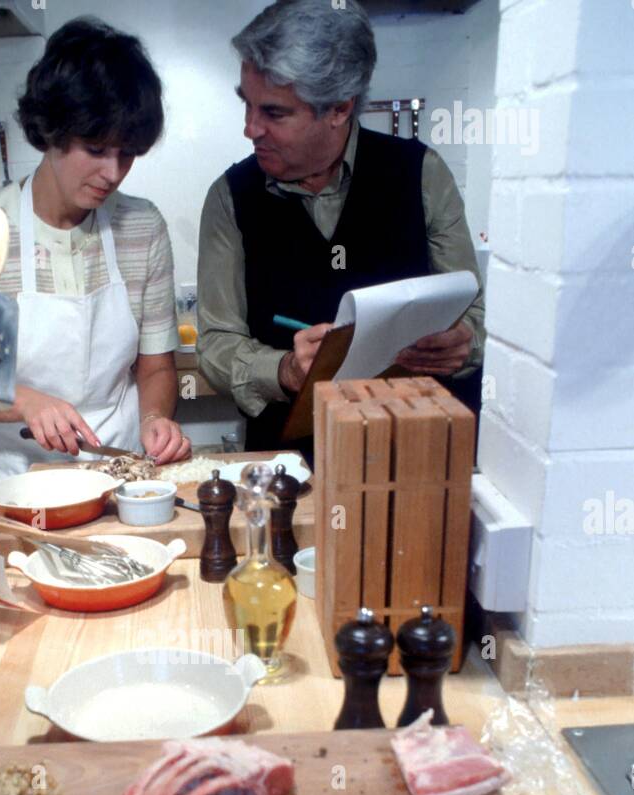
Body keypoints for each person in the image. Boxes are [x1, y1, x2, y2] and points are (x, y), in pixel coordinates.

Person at [197, 0, 485, 457]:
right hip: (288, 469)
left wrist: (461, 345)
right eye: (247, 105)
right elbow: (216, 344)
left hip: (411, 456)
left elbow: (476, 312)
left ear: (338, 107)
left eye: (274, 113)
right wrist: (285, 369)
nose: (250, 129)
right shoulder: (230, 196)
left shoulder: (421, 173)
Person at [0, 18, 192, 475]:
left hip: (121, 469)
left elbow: (155, 366)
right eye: (95, 149)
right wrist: (25, 401)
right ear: (51, 133)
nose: (113, 172)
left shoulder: (141, 227)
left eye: (126, 154)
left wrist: (155, 419)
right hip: (21, 479)